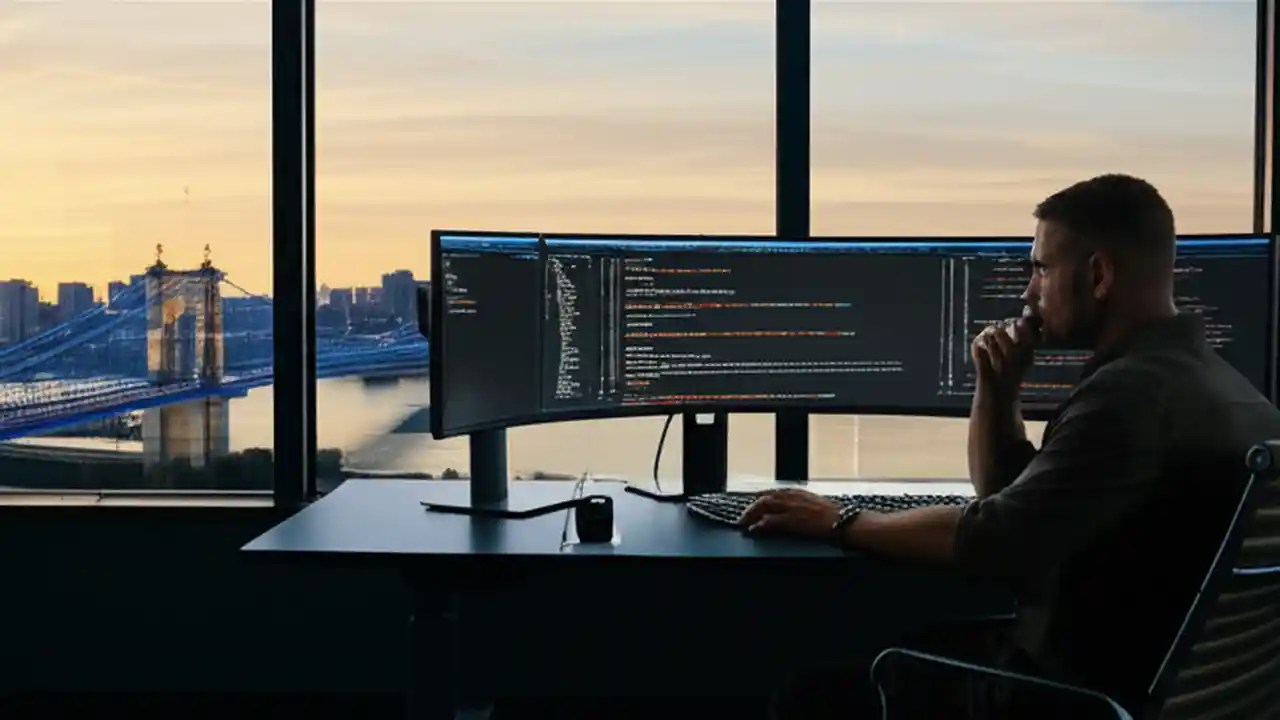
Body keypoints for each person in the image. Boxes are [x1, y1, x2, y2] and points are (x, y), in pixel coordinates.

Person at [744, 173, 1280, 719]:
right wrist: (997, 390)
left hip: (1067, 698)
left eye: (1042, 268)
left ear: (1098, 275)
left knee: (809, 694)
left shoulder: (1128, 397)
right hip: (1140, 688)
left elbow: (995, 540)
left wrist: (840, 521)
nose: (1028, 291)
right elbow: (1013, 496)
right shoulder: (1231, 394)